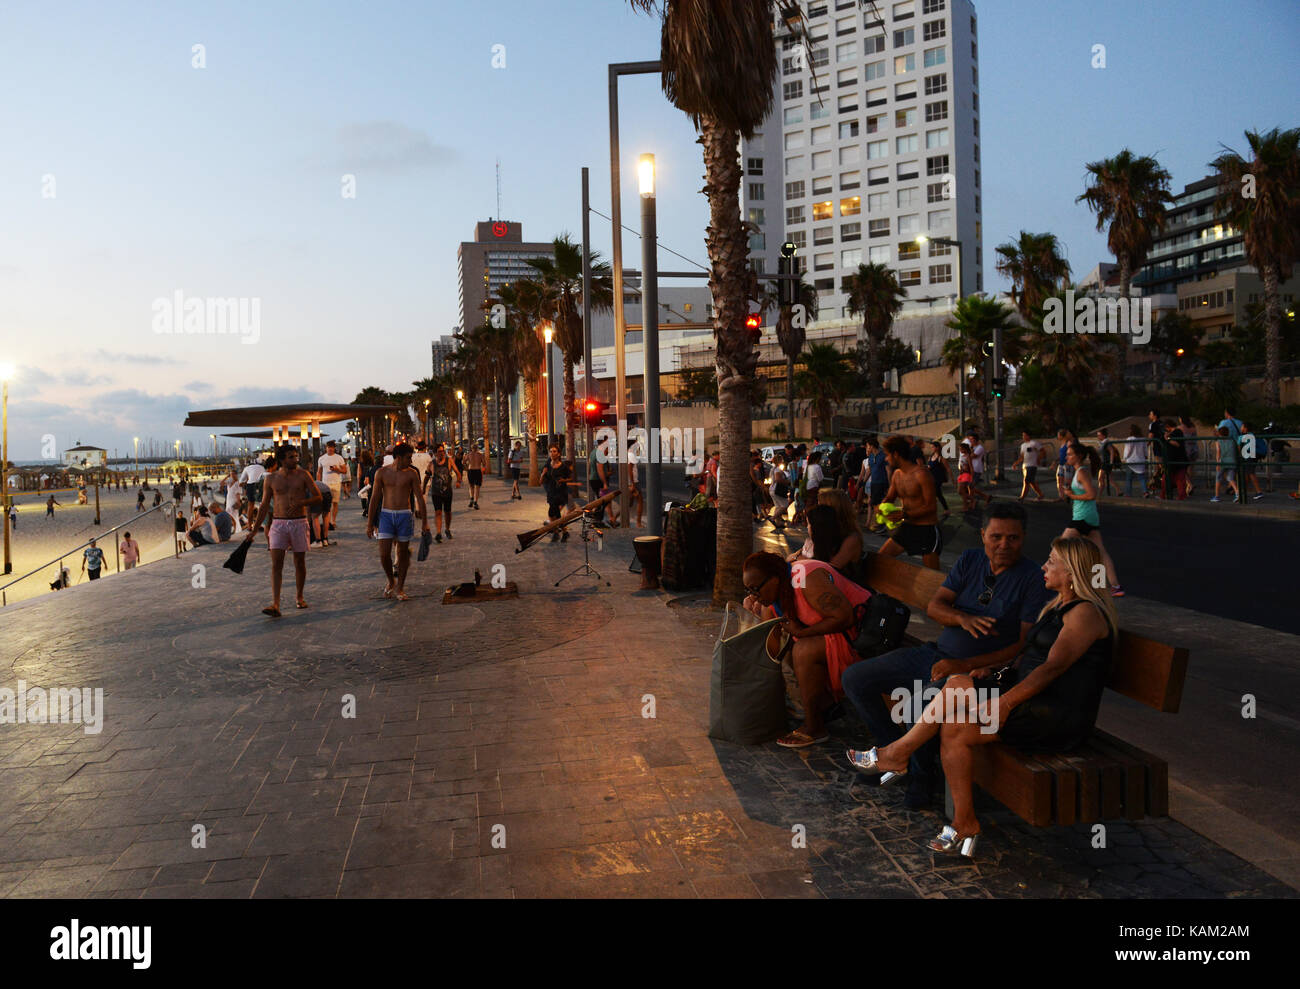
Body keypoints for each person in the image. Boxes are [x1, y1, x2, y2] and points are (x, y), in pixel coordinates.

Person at [851, 537, 1117, 857]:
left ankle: (897, 753)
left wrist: (1004, 703)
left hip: (1053, 714)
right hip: (1029, 699)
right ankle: (965, 822)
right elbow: (1026, 658)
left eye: (1052, 562)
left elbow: (1051, 669)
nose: (1044, 566)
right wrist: (992, 671)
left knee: (954, 690)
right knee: (955, 721)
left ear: (1073, 571)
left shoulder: (1085, 613)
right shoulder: (1058, 604)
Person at [840, 501, 1053, 808]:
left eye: (1013, 538)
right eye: (996, 537)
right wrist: (962, 619)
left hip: (975, 674)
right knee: (856, 677)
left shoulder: (1032, 578)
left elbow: (1023, 645)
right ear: (983, 535)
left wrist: (963, 664)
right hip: (936, 655)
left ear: (1023, 537)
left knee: (917, 704)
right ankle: (897, 754)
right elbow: (935, 606)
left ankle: (921, 778)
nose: (1004, 544)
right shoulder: (970, 560)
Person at [741, 549, 872, 749]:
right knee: (784, 645)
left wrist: (802, 633)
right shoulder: (776, 596)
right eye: (749, 591)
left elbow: (845, 617)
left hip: (862, 633)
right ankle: (825, 706)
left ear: (774, 579)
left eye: (755, 589)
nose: (754, 596)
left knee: (803, 650)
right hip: (838, 632)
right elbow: (770, 646)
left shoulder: (806, 578)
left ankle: (814, 726)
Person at [245, 444, 322, 617]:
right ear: (281, 459)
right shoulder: (271, 479)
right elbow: (264, 505)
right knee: (276, 564)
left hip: (299, 522)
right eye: (291, 457)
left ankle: (300, 597)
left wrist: (301, 503)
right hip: (278, 524)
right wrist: (253, 529)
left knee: (299, 562)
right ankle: (276, 604)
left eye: (296, 456)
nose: (295, 460)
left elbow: (318, 496)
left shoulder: (304, 475)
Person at [367, 442, 430, 601]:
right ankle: (391, 580)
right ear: (399, 457)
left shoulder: (411, 474)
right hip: (386, 515)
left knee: (403, 554)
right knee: (383, 554)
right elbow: (374, 498)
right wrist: (369, 523)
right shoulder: (382, 473)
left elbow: (419, 499)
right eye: (408, 458)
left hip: (404, 515)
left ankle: (400, 588)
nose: (411, 461)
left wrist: (424, 522)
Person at [1058, 442, 1122, 596]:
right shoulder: (1079, 472)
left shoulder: (1081, 472)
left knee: (1059, 548)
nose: (1067, 456)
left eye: (1070, 454)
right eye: (1067, 454)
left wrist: (1072, 495)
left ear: (1079, 456)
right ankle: (1110, 586)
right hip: (1089, 516)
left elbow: (1091, 494)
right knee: (1099, 552)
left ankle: (1063, 583)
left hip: (1082, 517)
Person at [876, 435, 942, 570]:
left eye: (887, 455)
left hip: (926, 529)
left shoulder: (922, 474)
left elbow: (931, 507)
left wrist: (903, 514)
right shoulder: (897, 475)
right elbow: (889, 497)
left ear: (895, 454)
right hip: (907, 527)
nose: (886, 459)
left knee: (934, 576)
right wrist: (881, 506)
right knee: (879, 561)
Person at [814, 489, 865, 580]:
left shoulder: (852, 539)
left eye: (821, 506)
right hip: (826, 585)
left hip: (847, 588)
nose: (817, 511)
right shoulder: (827, 531)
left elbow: (829, 570)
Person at [423, 443, 461, 542]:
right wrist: (423, 488)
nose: (442, 453)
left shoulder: (449, 461)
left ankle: (447, 529)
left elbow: (457, 472)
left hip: (447, 491)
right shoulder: (431, 464)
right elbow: (427, 477)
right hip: (436, 492)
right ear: (435, 453)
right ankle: (438, 533)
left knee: (447, 512)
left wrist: (458, 481)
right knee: (438, 512)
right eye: (439, 451)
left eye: (442, 451)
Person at [540, 445, 573, 542]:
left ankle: (556, 533)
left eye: (554, 451)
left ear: (558, 454)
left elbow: (570, 477)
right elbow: (540, 482)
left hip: (560, 493)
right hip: (551, 492)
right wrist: (542, 474)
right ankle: (564, 532)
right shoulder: (547, 466)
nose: (552, 453)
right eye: (550, 451)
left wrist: (563, 480)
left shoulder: (563, 466)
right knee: (555, 514)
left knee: (553, 513)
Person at [316, 440, 347, 532]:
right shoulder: (321, 459)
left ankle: (333, 521)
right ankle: (327, 521)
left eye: (332, 447)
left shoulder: (339, 458)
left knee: (335, 503)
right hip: (325, 484)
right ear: (326, 448)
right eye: (328, 447)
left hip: (336, 482)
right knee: (325, 503)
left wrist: (337, 469)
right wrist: (318, 483)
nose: (330, 449)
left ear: (334, 448)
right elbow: (319, 472)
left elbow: (344, 471)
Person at [1211, 426, 1239, 503]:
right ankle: (1237, 492)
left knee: (1218, 478)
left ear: (1219, 433)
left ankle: (1216, 496)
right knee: (1230, 478)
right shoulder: (1232, 440)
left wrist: (1217, 464)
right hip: (1232, 461)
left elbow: (1218, 452)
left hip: (1223, 461)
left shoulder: (1218, 441)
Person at [1164, 419, 1190, 501]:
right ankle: (1179, 496)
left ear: (1168, 426)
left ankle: (1166, 495)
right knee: (1177, 479)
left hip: (1176, 459)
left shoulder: (1177, 432)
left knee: (1170, 479)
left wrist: (1167, 438)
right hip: (1176, 459)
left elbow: (1177, 444)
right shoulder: (1177, 432)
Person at [925, 439, 952, 518]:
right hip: (931, 478)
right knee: (937, 494)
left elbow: (948, 468)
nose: (932, 448)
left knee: (937, 493)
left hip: (938, 478)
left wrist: (952, 479)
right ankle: (945, 509)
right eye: (931, 447)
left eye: (933, 447)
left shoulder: (941, 457)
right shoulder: (931, 457)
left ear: (937, 448)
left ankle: (945, 509)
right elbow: (929, 466)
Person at [1238, 421, 1264, 500]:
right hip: (1253, 456)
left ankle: (1259, 491)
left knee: (1251, 473)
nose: (1241, 427)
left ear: (1245, 428)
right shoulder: (1252, 435)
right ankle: (1242, 491)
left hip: (1246, 457)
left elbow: (1238, 448)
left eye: (1242, 426)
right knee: (1248, 474)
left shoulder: (1241, 437)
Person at [1120, 424, 1146, 497]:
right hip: (1141, 460)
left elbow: (1128, 450)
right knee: (1142, 478)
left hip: (1131, 460)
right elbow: (1145, 450)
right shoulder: (1143, 439)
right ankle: (1145, 492)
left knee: (1129, 478)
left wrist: (1125, 457)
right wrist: (1145, 456)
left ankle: (1128, 494)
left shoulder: (1130, 439)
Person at [769, 453, 792, 530]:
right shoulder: (778, 469)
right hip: (777, 489)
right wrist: (787, 482)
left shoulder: (773, 469)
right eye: (782, 460)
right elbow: (778, 479)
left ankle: (778, 523)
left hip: (772, 489)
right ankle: (773, 518)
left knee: (778, 506)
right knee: (784, 505)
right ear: (780, 461)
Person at [626, 440, 645, 528]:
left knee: (628, 503)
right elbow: (629, 469)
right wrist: (632, 484)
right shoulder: (631, 455)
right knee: (640, 502)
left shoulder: (627, 454)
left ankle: (614, 518)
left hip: (630, 482)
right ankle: (638, 523)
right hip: (634, 482)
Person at [464, 442, 487, 509]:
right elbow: (484, 464)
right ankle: (475, 502)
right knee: (477, 487)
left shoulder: (468, 455)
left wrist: (467, 467)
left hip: (470, 470)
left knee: (471, 486)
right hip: (477, 471)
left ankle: (471, 498)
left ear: (471, 448)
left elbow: (463, 462)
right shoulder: (480, 455)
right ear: (477, 448)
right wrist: (483, 468)